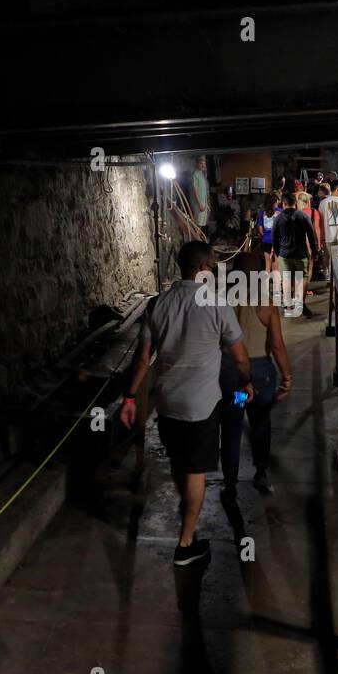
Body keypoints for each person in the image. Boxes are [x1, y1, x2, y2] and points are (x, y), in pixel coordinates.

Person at [119, 241, 254, 566]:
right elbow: (239, 356)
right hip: (202, 406)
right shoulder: (218, 305)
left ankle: (187, 509)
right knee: (196, 470)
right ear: (204, 269)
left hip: (166, 403)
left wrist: (129, 397)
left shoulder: (158, 304)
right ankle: (186, 542)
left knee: (180, 462)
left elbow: (142, 359)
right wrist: (247, 383)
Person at [219, 251, 291, 501]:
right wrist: (286, 377)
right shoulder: (266, 303)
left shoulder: (221, 300)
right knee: (260, 423)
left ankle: (229, 484)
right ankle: (261, 473)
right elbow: (277, 344)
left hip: (234, 376)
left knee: (232, 427)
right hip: (260, 374)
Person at [271, 192, 318, 318]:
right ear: (295, 203)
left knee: (286, 279)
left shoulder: (278, 218)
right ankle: (300, 304)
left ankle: (288, 305)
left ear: (284, 203)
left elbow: (274, 238)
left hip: (284, 254)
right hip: (301, 254)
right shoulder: (303, 216)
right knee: (301, 279)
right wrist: (315, 251)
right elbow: (311, 236)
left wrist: (277, 252)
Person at [190, 155, 210, 232]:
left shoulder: (202, 175)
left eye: (204, 164)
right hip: (198, 204)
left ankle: (200, 240)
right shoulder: (196, 174)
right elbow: (195, 190)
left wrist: (206, 204)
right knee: (197, 225)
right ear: (197, 164)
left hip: (203, 204)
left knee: (201, 225)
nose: (203, 165)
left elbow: (204, 191)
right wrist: (200, 204)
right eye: (201, 163)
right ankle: (197, 240)